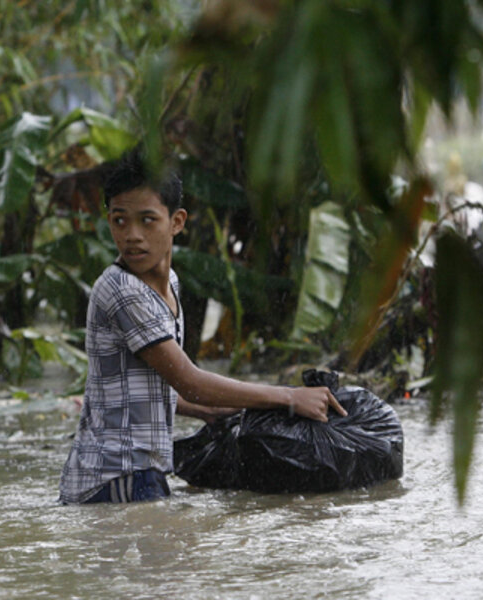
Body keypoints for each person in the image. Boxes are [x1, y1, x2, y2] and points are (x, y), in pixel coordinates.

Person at [59, 150, 345, 504]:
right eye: (120, 221)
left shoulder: (169, 284)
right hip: (118, 475)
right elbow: (190, 383)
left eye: (147, 220)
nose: (132, 235)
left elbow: (145, 389)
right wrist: (287, 397)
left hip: (128, 474)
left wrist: (215, 409)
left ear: (176, 221)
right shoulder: (121, 290)